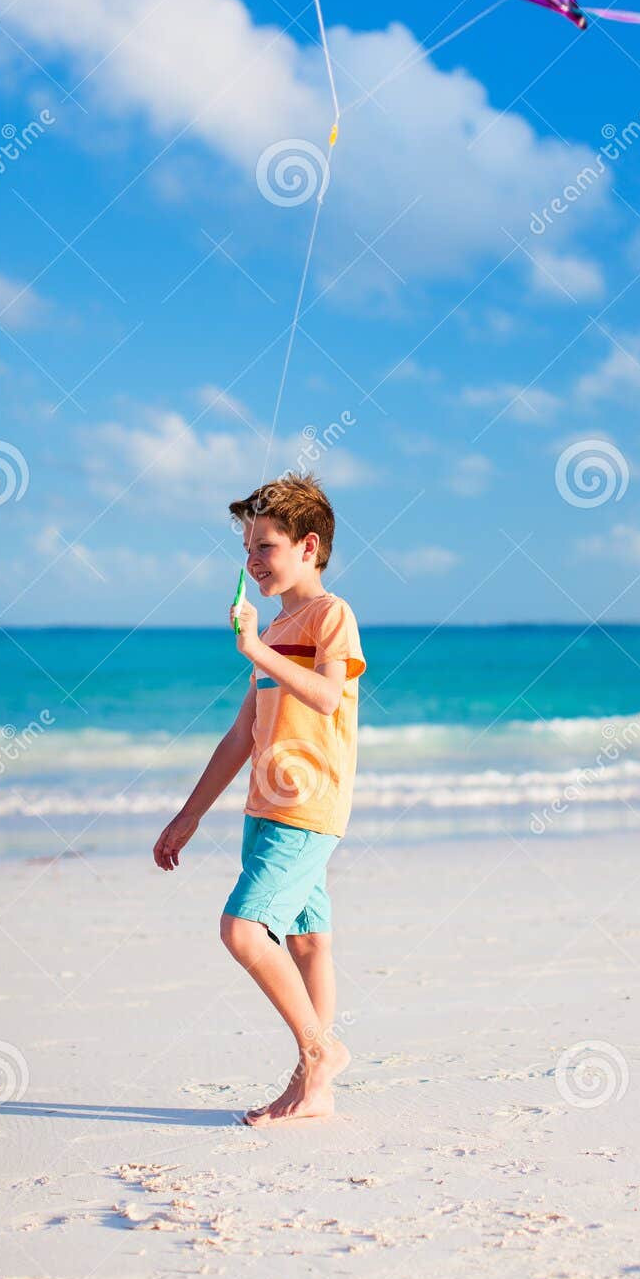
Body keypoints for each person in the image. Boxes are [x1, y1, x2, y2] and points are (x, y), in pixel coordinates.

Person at [153, 475, 365, 1125]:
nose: (252, 561)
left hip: (306, 806)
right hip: (265, 808)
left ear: (308, 547)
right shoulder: (275, 629)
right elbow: (242, 733)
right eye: (246, 548)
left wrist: (252, 649)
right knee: (307, 944)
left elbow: (328, 697)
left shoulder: (331, 615)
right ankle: (313, 1090)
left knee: (243, 931)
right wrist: (189, 814)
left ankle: (318, 1051)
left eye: (265, 546)